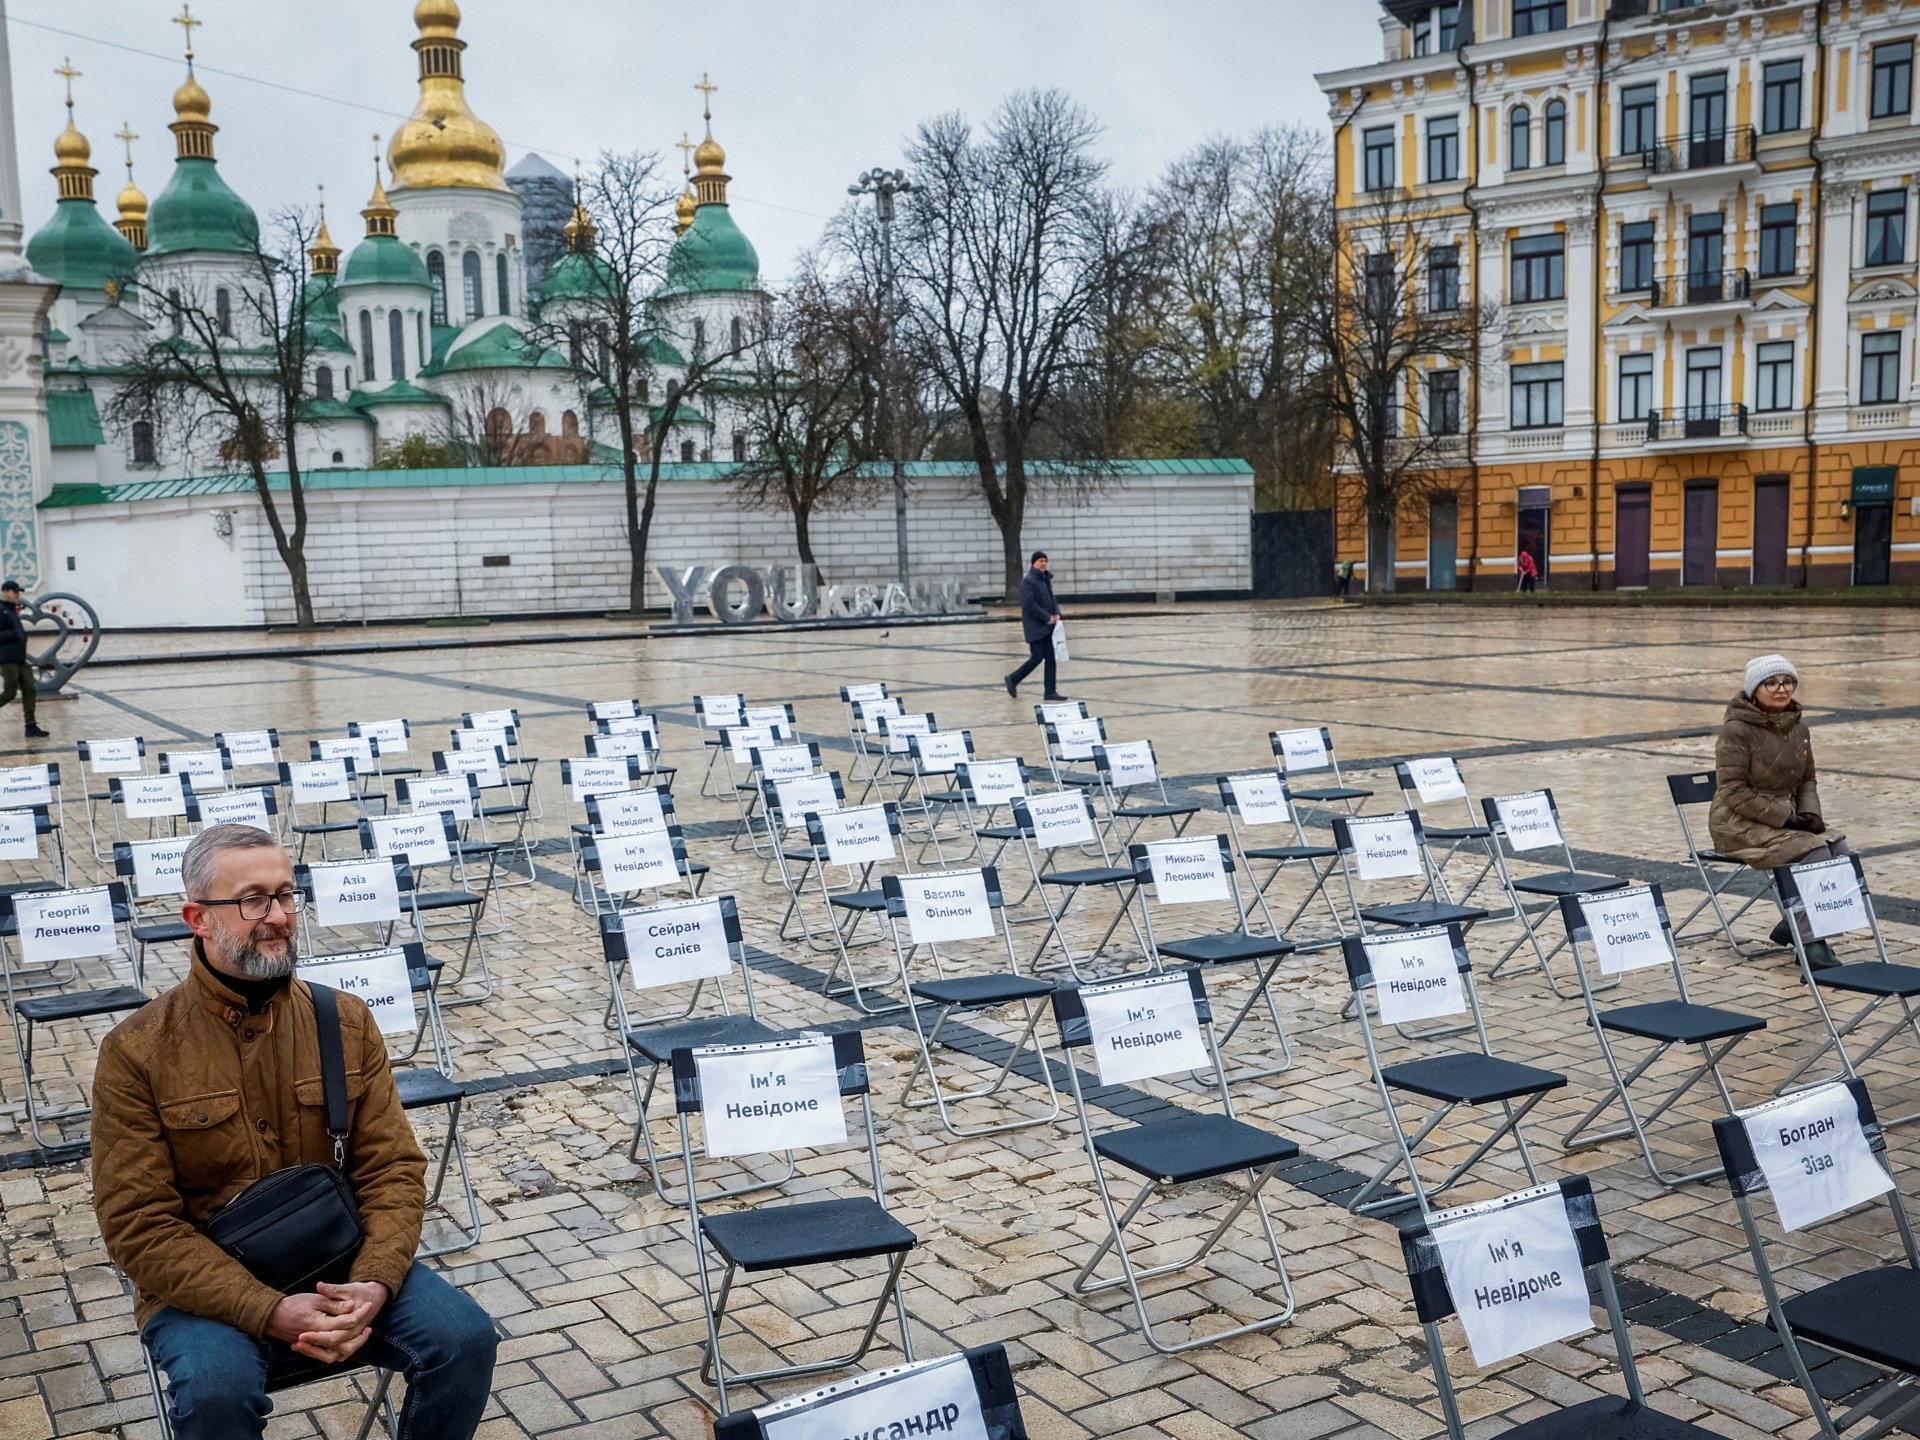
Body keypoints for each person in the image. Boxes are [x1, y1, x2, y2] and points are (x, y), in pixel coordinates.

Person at [90, 825, 498, 1438]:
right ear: (198, 918)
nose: (278, 915)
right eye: (253, 899)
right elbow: (137, 1223)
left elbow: (392, 1167)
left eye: (286, 894)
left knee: (465, 1338)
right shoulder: (138, 1051)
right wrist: (267, 1309)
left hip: (338, 1257)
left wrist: (374, 1280)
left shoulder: (343, 1021)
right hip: (208, 1282)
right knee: (217, 1392)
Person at [1709, 654, 1848, 968]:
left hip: (1786, 816)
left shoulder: (1799, 726)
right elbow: (1731, 790)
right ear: (1754, 689)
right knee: (1812, 852)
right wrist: (1785, 818)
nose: (1780, 689)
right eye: (1770, 682)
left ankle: (1796, 922)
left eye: (1787, 681)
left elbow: (1807, 779)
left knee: (1838, 847)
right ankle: (1812, 943)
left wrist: (1810, 813)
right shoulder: (1737, 729)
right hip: (1738, 820)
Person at [1004, 549, 1067, 701]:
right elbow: (1029, 604)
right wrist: (1046, 617)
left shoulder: (1045, 578)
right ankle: (1013, 678)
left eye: (1045, 561)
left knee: (1051, 658)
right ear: (1034, 563)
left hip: (1048, 626)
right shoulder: (1028, 581)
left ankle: (1050, 691)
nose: (1044, 563)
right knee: (1037, 657)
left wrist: (1056, 613)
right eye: (1040, 561)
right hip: (1035, 626)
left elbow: (1052, 599)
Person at [0, 581, 48, 739]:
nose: (18, 595)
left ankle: (31, 725)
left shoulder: (10, 609)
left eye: (18, 592)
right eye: (15, 592)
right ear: (5, 592)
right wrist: (15, 635)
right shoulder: (1, 609)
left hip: (19, 657)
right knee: (9, 693)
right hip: (7, 659)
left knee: (29, 688)